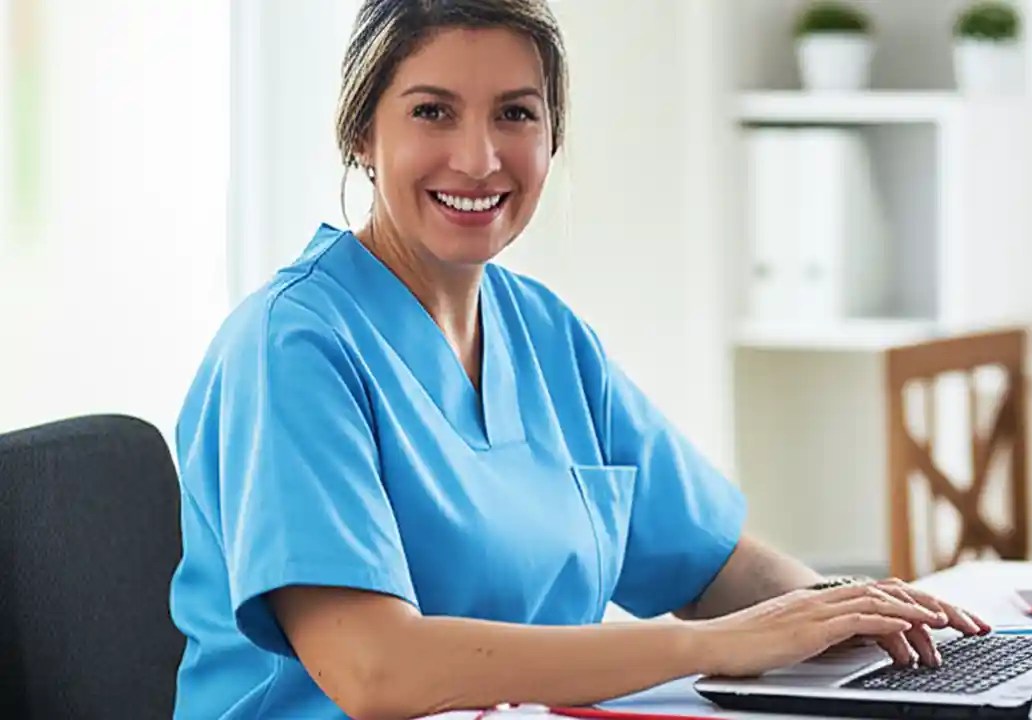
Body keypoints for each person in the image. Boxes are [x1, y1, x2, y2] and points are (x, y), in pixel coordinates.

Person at [168, 1, 990, 718]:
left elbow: (715, 562)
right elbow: (376, 669)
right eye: (432, 112)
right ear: (360, 132)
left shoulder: (546, 333)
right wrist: (707, 647)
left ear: (552, 135)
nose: (481, 158)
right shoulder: (291, 347)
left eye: (517, 115)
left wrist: (855, 616)